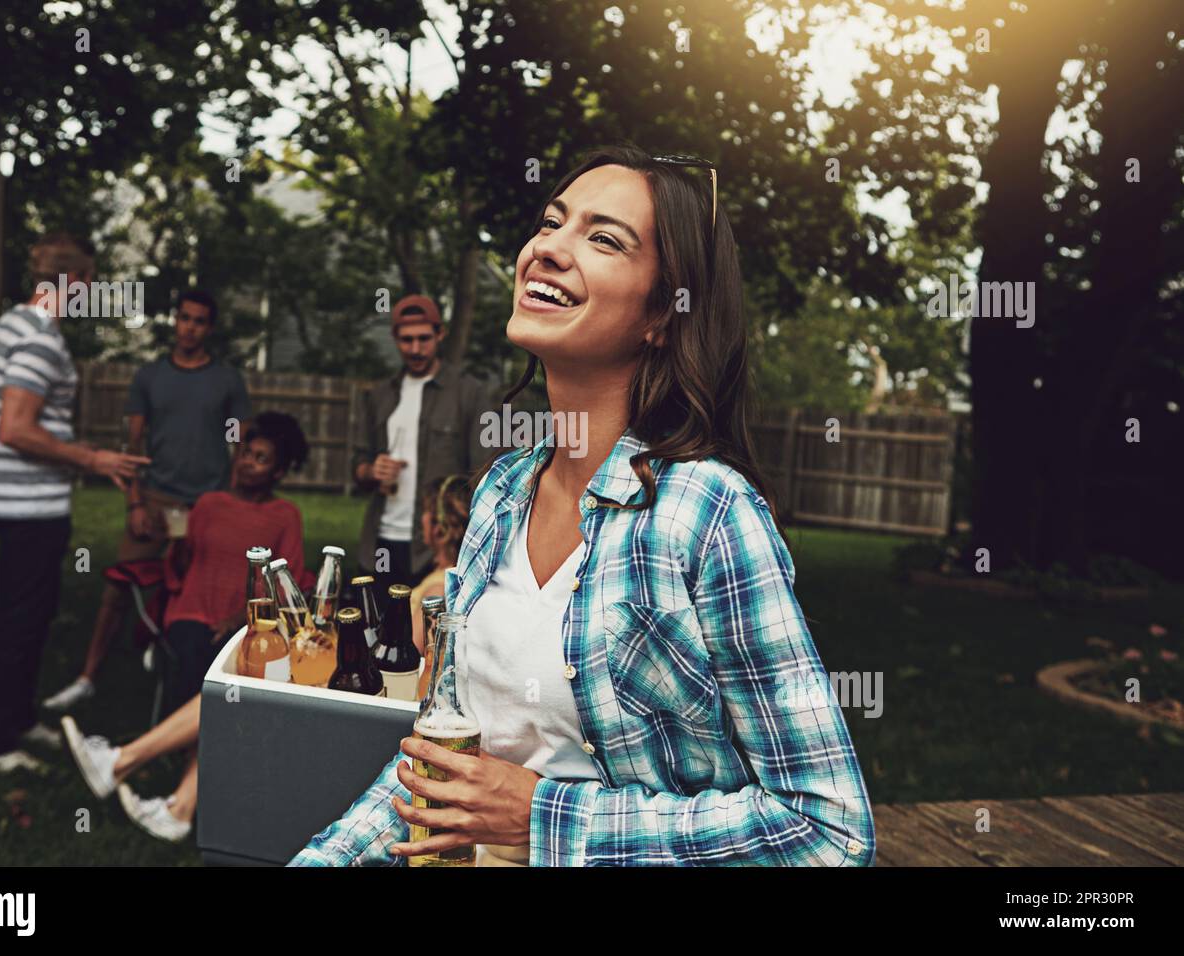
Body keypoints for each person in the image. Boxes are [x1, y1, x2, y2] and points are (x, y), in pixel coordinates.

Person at [290, 145, 875, 866]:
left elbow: (828, 829)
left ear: (664, 313)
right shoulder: (501, 496)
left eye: (604, 239)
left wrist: (545, 818)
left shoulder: (706, 513)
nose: (548, 250)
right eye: (550, 222)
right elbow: (439, 773)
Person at [61, 412, 307, 841]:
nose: (247, 462)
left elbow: (288, 582)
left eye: (261, 458)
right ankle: (175, 801)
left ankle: (141, 776)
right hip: (190, 616)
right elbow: (180, 569)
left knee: (230, 683)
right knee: (219, 682)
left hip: (245, 628)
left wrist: (240, 617)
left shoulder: (286, 515)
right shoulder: (208, 505)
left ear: (280, 470)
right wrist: (175, 544)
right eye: (246, 453)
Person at [0, 232, 150, 775]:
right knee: (19, 621)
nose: (89, 291)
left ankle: (17, 719)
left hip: (16, 505)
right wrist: (93, 459)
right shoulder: (40, 338)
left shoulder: (14, 324)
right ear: (71, 281)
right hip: (28, 509)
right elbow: (16, 428)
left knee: (27, 614)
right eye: (88, 282)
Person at [44, 289, 252, 711]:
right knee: (119, 586)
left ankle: (189, 676)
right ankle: (88, 676)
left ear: (208, 328)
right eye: (184, 318)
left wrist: (228, 500)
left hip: (207, 504)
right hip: (156, 498)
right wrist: (135, 503)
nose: (190, 327)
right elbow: (132, 442)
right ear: (175, 321)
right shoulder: (149, 376)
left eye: (199, 320)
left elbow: (239, 443)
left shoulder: (227, 380)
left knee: (200, 593)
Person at [351, 294, 495, 606]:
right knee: (373, 635)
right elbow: (357, 466)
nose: (415, 349)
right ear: (395, 339)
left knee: (425, 641)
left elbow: (484, 473)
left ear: (439, 334)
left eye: (423, 339)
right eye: (406, 340)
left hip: (437, 545)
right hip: (382, 541)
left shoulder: (468, 393)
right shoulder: (379, 395)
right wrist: (371, 470)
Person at [408, 474, 471, 655]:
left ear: (439, 528)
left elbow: (413, 651)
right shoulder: (441, 572)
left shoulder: (437, 589)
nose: (422, 519)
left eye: (426, 511)